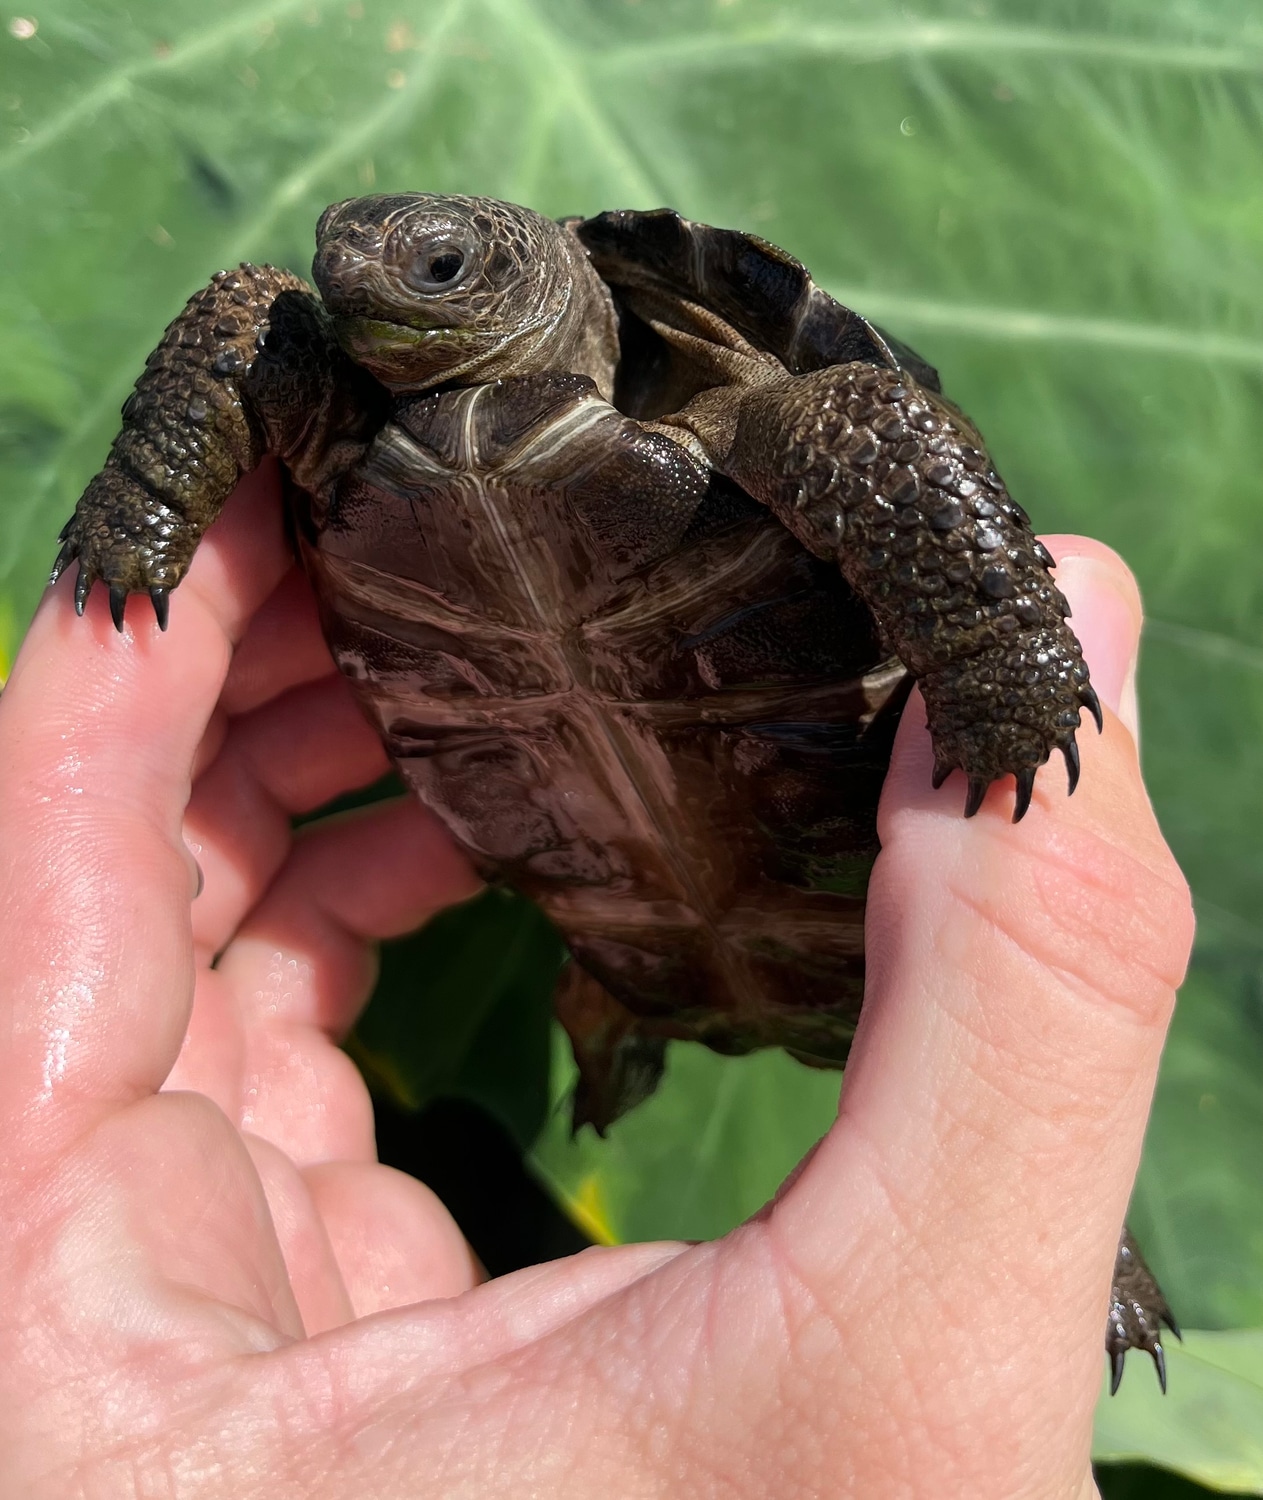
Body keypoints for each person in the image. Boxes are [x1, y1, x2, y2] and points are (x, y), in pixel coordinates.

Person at [0, 460, 1192, 1497]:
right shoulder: (335, 379)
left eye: (444, 267)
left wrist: (998, 644)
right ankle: (623, 1013)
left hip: (777, 868)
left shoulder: (727, 400)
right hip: (601, 886)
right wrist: (156, 495)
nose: (372, 279)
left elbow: (855, 417)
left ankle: (1095, 1250)